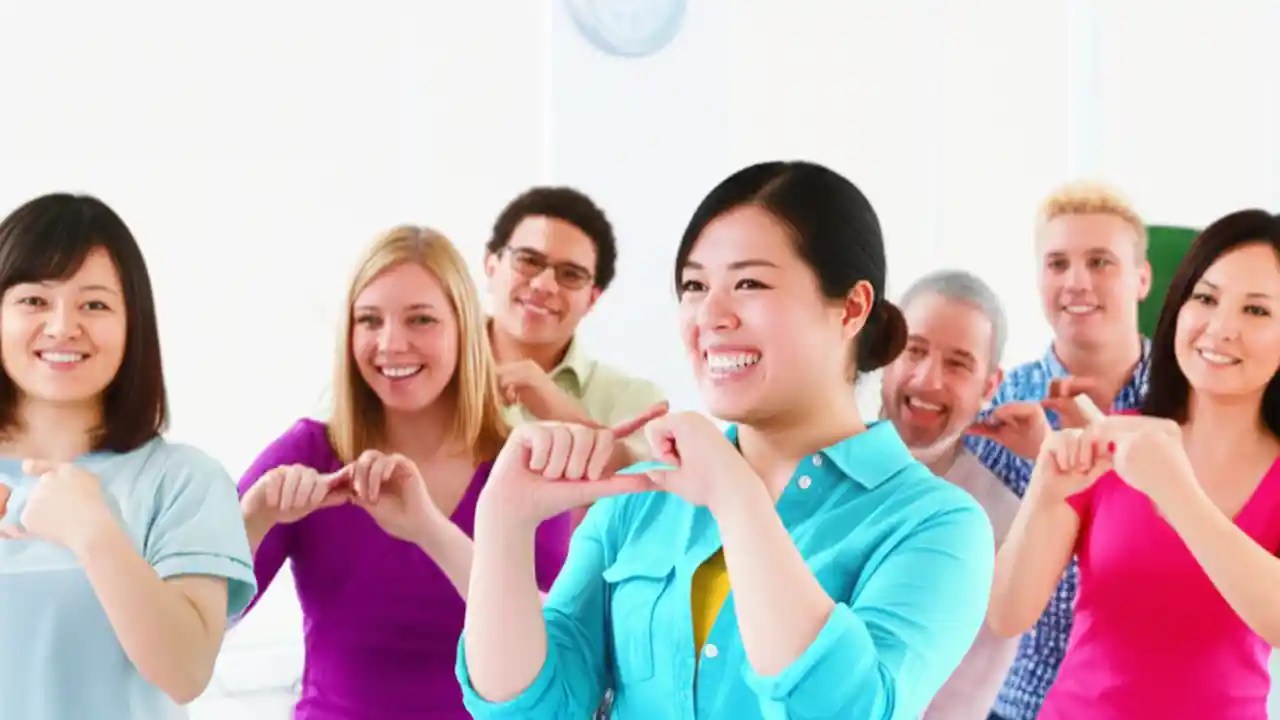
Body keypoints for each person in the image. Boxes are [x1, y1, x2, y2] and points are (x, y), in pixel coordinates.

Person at [457, 161, 996, 719]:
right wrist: (503, 524)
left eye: (749, 283)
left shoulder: (936, 524)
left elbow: (846, 711)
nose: (709, 315)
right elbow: (533, 710)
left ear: (852, 308)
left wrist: (738, 498)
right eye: (694, 286)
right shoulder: (640, 499)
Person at [237, 226, 577, 719]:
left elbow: (550, 645)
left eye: (421, 320)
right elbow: (199, 623)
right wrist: (253, 518)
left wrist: (428, 531)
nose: (391, 343)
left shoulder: (522, 470)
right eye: (369, 320)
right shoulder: (310, 451)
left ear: (466, 331)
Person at [988, 209, 1280, 719]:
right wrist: (1046, 491)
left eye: (1256, 311)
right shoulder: (1112, 436)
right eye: (1205, 298)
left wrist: (1176, 491)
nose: (1220, 328)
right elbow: (1008, 615)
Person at [0, 194, 256, 718]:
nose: (63, 326)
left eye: (94, 304)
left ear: (132, 324)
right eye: (34, 300)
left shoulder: (185, 481)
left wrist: (94, 534)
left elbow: (185, 672)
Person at [964, 181, 1153, 720]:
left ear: (1141, 278)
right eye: (1057, 263)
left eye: (1100, 262)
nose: (1076, 282)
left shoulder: (1189, 404)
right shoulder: (1000, 404)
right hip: (1021, 704)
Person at [879, 270, 1025, 719]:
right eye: (914, 351)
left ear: (990, 386)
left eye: (958, 363)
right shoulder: (813, 471)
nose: (928, 379)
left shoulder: (1005, 523)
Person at [484, 186, 666, 462]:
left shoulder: (635, 403)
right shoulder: (428, 372)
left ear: (592, 299)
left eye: (571, 274)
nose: (543, 285)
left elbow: (651, 496)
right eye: (529, 261)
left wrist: (563, 413)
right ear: (491, 264)